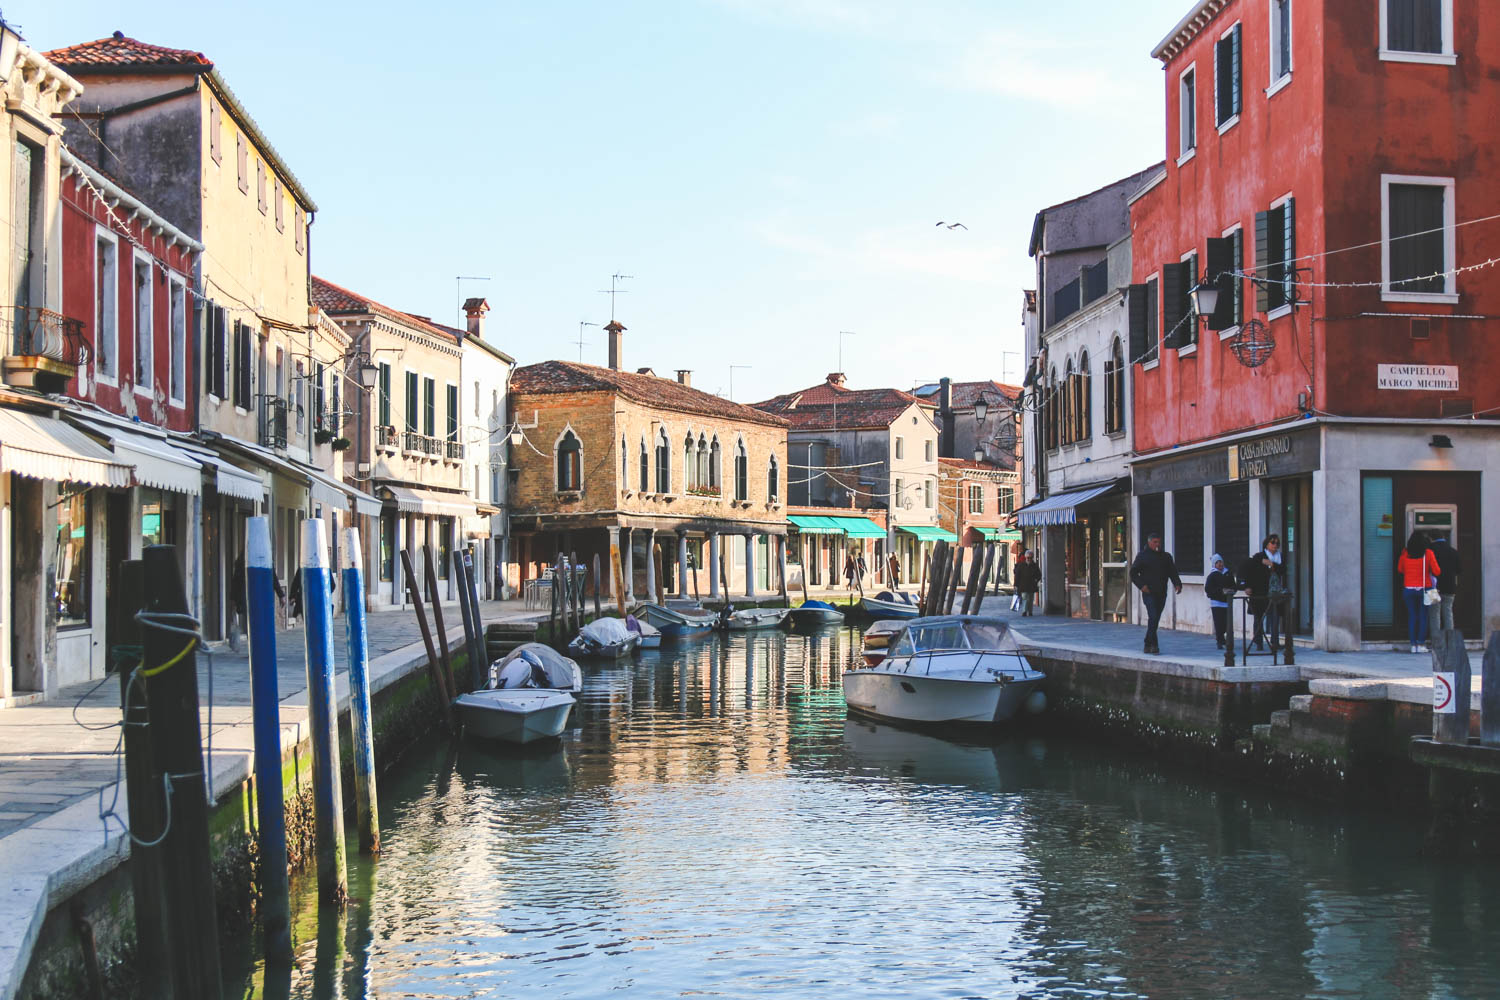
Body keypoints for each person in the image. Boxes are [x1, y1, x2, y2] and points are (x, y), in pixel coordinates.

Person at [1130, 532, 1181, 654]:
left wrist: (1177, 584)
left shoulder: (1166, 557)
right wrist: (1142, 586)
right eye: (1155, 542)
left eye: (1159, 542)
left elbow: (1172, 572)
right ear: (1149, 543)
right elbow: (1133, 573)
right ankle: (1154, 645)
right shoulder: (1142, 556)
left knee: (1155, 619)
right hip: (1149, 592)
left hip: (1161, 592)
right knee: (1153, 616)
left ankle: (1148, 642)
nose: (1157, 545)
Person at [1237, 535, 1286, 652]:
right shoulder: (1259, 557)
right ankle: (1258, 642)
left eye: (1277, 543)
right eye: (1272, 543)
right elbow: (1247, 570)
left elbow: (1283, 570)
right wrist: (1246, 586)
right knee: (1258, 618)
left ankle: (1275, 642)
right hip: (1259, 592)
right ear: (1267, 544)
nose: (1275, 545)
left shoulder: (1280, 557)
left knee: (1275, 618)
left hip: (1274, 592)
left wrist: (1272, 564)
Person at [1397, 531, 1441, 654]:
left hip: (1409, 588)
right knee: (1423, 616)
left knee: (1412, 616)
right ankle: (1421, 644)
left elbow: (1400, 569)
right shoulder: (1428, 553)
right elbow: (1437, 571)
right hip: (1424, 588)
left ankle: (1413, 645)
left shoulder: (1405, 553)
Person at [1204, 553, 1238, 650]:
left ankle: (1228, 640)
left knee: (1227, 623)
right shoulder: (1212, 575)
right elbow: (1208, 589)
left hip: (1227, 603)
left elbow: (1234, 586)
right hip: (1216, 604)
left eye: (1221, 562)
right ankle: (1220, 640)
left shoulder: (1228, 573)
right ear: (1214, 564)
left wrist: (1231, 591)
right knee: (1219, 623)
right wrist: (1220, 591)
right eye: (1217, 562)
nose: (1220, 564)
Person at [1430, 535, 1461, 634]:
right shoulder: (1453, 551)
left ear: (1431, 539)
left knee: (1434, 614)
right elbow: (1459, 570)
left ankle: (1436, 642)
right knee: (1448, 613)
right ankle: (1450, 640)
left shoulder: (1430, 551)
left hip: (1433, 588)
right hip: (1450, 587)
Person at [1013, 550, 1042, 617]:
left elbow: (1039, 575)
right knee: (1025, 598)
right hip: (1023, 585)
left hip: (1032, 585)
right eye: (1028, 558)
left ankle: (1030, 611)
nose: (1029, 559)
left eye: (1030, 558)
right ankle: (1024, 611)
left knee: (1031, 599)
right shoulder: (1021, 565)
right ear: (1025, 558)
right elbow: (1017, 575)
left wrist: (1036, 580)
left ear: (1032, 558)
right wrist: (1016, 585)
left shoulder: (1035, 566)